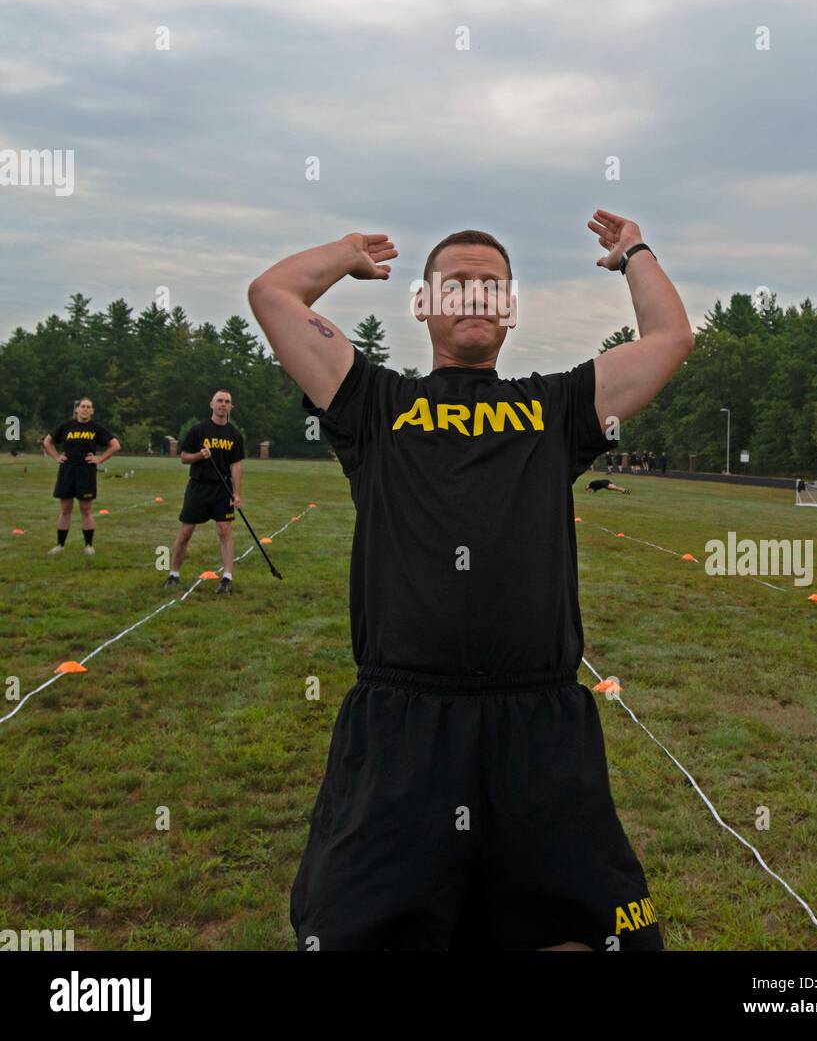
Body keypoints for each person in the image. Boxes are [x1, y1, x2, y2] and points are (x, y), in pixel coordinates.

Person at [249, 210, 692, 951]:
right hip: (402, 730)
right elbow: (272, 296)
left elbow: (668, 341)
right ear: (423, 305)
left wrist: (635, 253)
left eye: (492, 288)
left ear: (511, 310)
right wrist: (346, 254)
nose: (476, 298)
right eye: (455, 286)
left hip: (539, 729)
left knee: (584, 935)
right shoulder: (373, 402)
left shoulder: (553, 408)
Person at [164, 391, 244, 595]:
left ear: (230, 407)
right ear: (211, 404)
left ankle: (227, 578)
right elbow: (183, 457)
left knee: (224, 531)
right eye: (219, 401)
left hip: (221, 488)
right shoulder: (198, 430)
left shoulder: (234, 435)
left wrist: (236, 493)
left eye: (227, 402)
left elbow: (236, 466)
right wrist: (200, 455)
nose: (223, 405)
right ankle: (173, 573)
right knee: (186, 532)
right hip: (198, 487)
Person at [43, 397, 120, 555]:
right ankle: (60, 545)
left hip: (86, 472)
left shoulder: (96, 428)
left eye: (88, 407)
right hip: (67, 471)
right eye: (83, 406)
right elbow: (47, 441)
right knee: (65, 510)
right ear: (77, 410)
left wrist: (100, 459)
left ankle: (88, 545)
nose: (85, 409)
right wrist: (56, 456)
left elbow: (115, 445)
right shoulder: (66, 426)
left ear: (92, 411)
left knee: (86, 510)